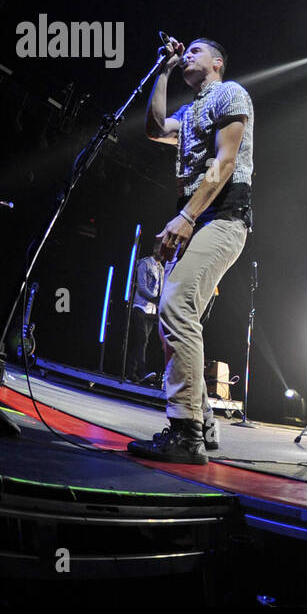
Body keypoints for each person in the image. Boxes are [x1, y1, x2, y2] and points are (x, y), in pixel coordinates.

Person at [127, 36, 254, 464]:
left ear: (217, 62)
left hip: (223, 216)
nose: (189, 56)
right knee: (174, 319)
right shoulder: (189, 110)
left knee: (176, 304)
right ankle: (204, 425)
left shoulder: (229, 93)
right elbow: (154, 127)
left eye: (196, 51)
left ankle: (186, 435)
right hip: (198, 219)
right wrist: (163, 69)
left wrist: (185, 218)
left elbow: (226, 161)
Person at [125, 253, 164, 385]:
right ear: (156, 248)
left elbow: (160, 289)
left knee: (141, 342)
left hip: (152, 310)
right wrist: (155, 299)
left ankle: (131, 373)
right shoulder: (145, 263)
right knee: (142, 339)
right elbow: (142, 288)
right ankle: (142, 372)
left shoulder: (161, 268)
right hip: (140, 306)